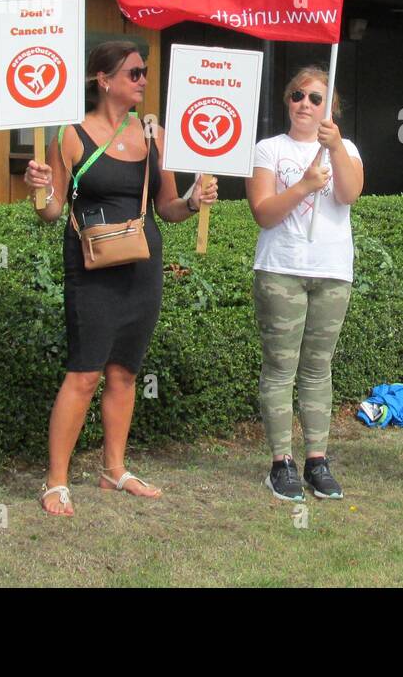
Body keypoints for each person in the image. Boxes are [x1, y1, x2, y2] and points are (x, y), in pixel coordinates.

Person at [24, 41, 217, 517]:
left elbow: (167, 210)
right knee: (85, 373)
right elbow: (51, 212)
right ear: (104, 80)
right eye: (134, 73)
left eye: (145, 72)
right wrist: (39, 187)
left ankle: (114, 469)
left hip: (142, 265)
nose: (143, 80)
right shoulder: (69, 135)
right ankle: (56, 481)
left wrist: (194, 200)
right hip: (90, 267)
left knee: (124, 372)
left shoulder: (155, 134)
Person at [246, 67, 364, 501]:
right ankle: (281, 462)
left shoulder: (346, 148)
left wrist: (333, 151)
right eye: (298, 95)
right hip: (281, 269)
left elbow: (349, 194)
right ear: (287, 100)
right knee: (280, 367)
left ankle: (317, 459)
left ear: (329, 108)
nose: (305, 104)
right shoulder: (268, 149)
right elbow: (264, 212)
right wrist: (303, 186)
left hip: (332, 271)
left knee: (317, 367)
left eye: (316, 99)